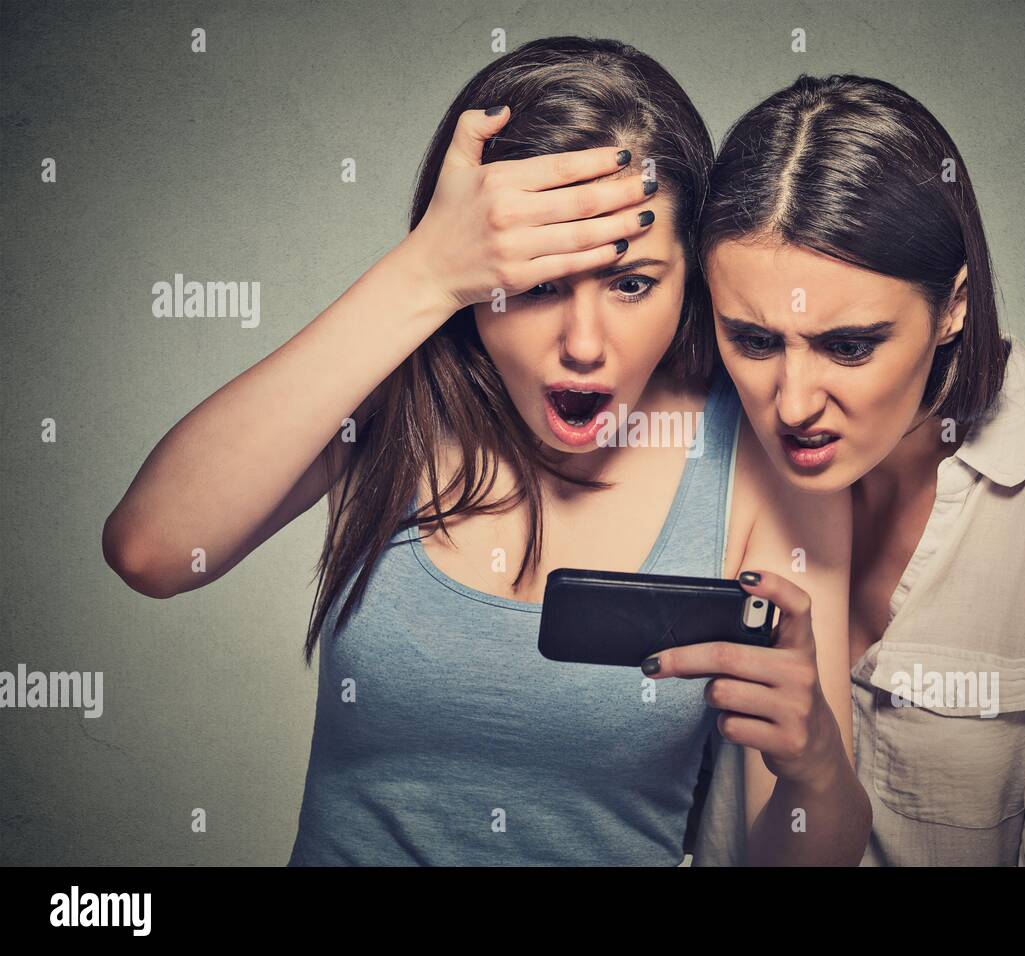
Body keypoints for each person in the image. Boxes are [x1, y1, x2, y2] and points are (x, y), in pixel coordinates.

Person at [102, 39, 869, 866]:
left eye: (633, 283)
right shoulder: (392, 395)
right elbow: (152, 550)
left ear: (691, 281)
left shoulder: (761, 465)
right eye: (539, 284)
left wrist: (816, 772)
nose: (584, 344)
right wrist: (423, 275)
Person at [692, 74, 1025, 866]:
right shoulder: (695, 445)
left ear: (955, 305)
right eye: (754, 341)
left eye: (849, 345)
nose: (792, 405)